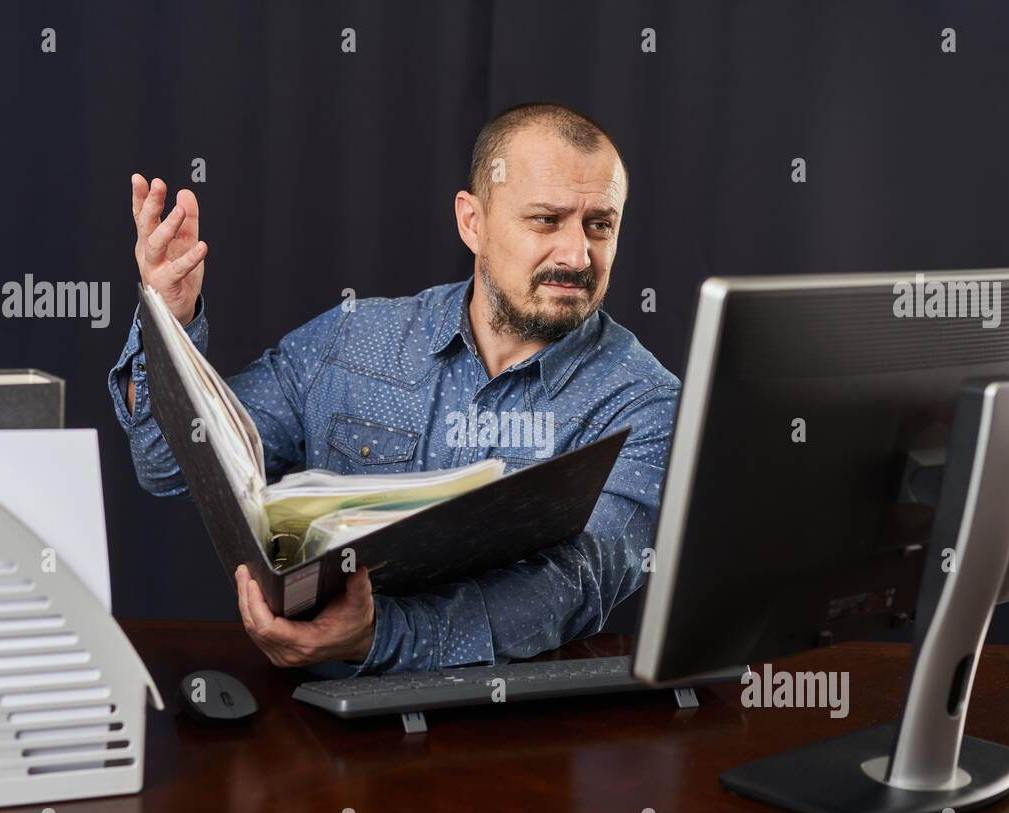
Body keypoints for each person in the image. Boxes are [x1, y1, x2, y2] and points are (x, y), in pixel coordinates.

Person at [108, 102, 679, 675]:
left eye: (599, 224)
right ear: (472, 222)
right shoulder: (351, 339)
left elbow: (579, 580)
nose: (577, 255)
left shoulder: (644, 402)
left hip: (519, 743)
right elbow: (168, 465)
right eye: (546, 221)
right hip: (321, 729)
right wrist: (169, 323)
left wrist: (378, 637)